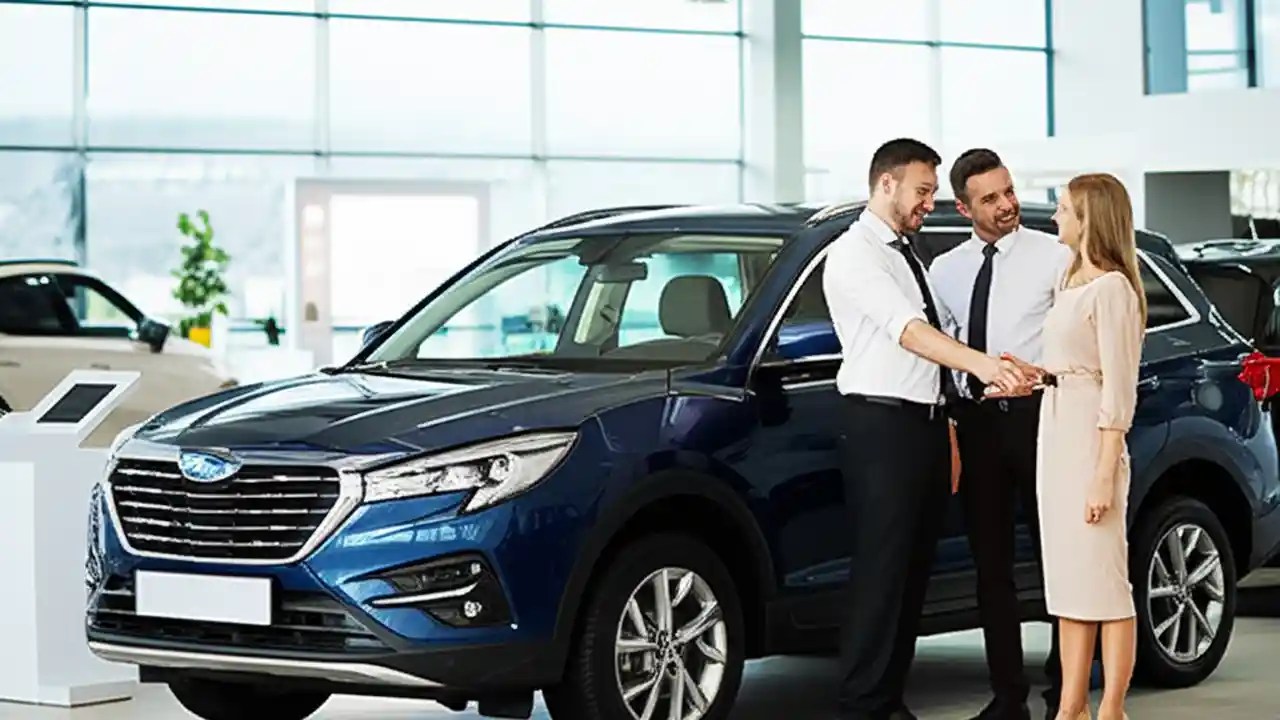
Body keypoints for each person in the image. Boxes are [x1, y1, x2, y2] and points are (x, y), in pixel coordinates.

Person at [822, 137, 1031, 720]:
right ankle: (863, 706)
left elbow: (928, 353)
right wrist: (986, 365)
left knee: (913, 575)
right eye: (922, 191)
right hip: (880, 427)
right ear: (885, 184)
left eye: (933, 193)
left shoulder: (906, 253)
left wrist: (949, 431)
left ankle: (889, 702)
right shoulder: (856, 253)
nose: (929, 203)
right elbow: (910, 332)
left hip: (923, 427)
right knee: (882, 574)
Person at [990, 172, 1146, 720]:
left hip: (1089, 442)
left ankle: (1112, 710)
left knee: (1105, 581)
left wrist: (1105, 470)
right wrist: (1031, 375)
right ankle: (1071, 706)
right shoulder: (1072, 280)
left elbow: (1118, 388)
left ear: (1089, 220)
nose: (1053, 217)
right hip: (1055, 434)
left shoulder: (1115, 290)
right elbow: (1072, 364)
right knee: (1070, 584)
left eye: (1062, 209)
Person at [926, 149, 1071, 720]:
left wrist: (1044, 377)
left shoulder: (1055, 256)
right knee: (991, 567)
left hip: (1042, 418)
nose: (1007, 205)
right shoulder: (946, 270)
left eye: (1008, 191)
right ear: (963, 207)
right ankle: (1007, 697)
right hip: (979, 423)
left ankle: (1065, 689)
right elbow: (945, 344)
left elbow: (1077, 339)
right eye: (990, 198)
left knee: (1057, 559)